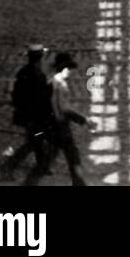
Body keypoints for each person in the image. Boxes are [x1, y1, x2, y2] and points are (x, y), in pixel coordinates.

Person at [0, 45, 52, 182]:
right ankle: (8, 167)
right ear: (40, 59)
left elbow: (16, 94)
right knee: (33, 141)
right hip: (35, 116)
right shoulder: (38, 75)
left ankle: (42, 165)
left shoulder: (23, 71)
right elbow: (42, 98)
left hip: (26, 114)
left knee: (37, 140)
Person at [46, 53, 88, 186]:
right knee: (73, 155)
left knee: (53, 150)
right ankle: (79, 182)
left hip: (51, 124)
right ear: (64, 68)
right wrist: (83, 120)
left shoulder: (50, 82)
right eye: (69, 69)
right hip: (60, 125)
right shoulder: (60, 85)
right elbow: (64, 108)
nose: (70, 72)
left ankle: (41, 169)